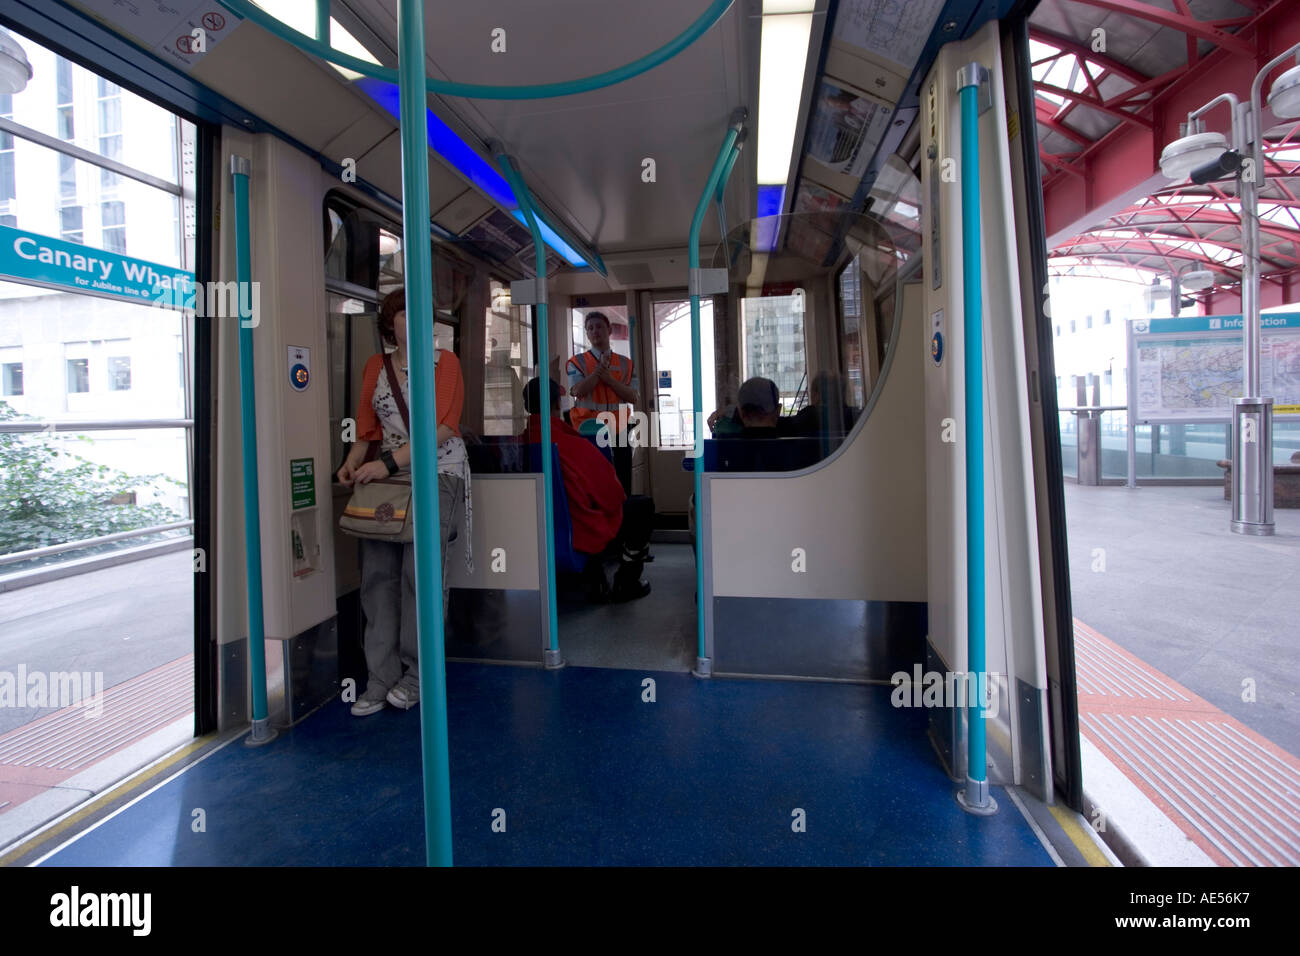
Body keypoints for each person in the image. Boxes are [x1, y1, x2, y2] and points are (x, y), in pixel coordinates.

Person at [337, 289, 471, 716]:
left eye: (421, 314)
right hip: (388, 480)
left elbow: (443, 428)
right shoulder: (376, 366)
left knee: (421, 578)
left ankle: (420, 674)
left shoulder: (445, 364)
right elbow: (366, 428)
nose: (413, 320)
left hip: (437, 474)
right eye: (403, 314)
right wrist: (353, 461)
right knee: (378, 577)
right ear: (389, 324)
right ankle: (380, 675)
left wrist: (386, 465)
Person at [523, 376, 651, 603]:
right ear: (556, 405)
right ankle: (627, 582)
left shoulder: (521, 444)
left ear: (526, 406)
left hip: (536, 531)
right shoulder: (571, 444)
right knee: (641, 507)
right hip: (580, 528)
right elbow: (612, 497)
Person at [566, 311, 638, 493]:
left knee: (622, 483)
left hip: (619, 430)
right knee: (593, 485)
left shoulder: (626, 364)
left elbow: (632, 396)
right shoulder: (577, 362)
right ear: (586, 333)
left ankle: (623, 519)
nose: (595, 331)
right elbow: (578, 391)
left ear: (609, 330)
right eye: (590, 328)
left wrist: (610, 379)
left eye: (599, 326)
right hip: (588, 431)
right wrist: (598, 372)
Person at [787, 371, 859, 437]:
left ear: (818, 394)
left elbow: (785, 427)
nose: (811, 396)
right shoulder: (854, 416)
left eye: (812, 392)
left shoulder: (810, 415)